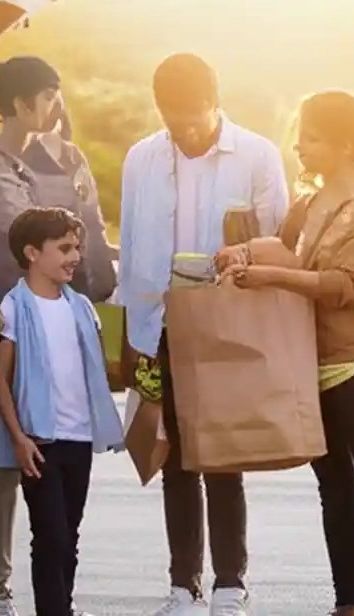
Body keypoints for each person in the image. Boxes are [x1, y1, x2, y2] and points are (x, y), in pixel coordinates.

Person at [216, 90, 354, 616]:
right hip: (310, 364)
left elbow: (349, 284)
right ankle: (347, 606)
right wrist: (240, 252)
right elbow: (283, 248)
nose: (299, 146)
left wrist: (273, 277)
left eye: (311, 136)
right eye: (300, 135)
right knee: (333, 490)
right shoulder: (307, 205)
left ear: (347, 144)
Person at [118, 53, 289, 616]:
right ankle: (182, 586)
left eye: (194, 117)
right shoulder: (141, 158)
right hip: (160, 322)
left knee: (222, 456)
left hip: (226, 323)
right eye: (173, 119)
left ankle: (229, 585)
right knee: (173, 457)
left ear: (216, 103)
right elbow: (133, 248)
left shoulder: (258, 156)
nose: (185, 130)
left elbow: (280, 241)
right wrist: (130, 332)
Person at [0, 56, 117, 616]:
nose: (56, 107)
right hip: (1, 329)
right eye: (48, 96)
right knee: (1, 463)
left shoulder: (69, 157)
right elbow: (14, 228)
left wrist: (99, 283)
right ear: (20, 103)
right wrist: (69, 215)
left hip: (61, 323)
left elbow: (87, 229)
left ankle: (55, 596)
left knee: (59, 469)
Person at [0, 206, 125, 616]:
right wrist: (19, 439)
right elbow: (0, 379)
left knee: (70, 533)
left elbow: (95, 368)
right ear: (32, 253)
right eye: (64, 248)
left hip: (79, 437)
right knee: (50, 536)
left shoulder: (81, 306)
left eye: (77, 247)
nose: (75, 256)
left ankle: (62, 604)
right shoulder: (14, 307)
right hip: (41, 440)